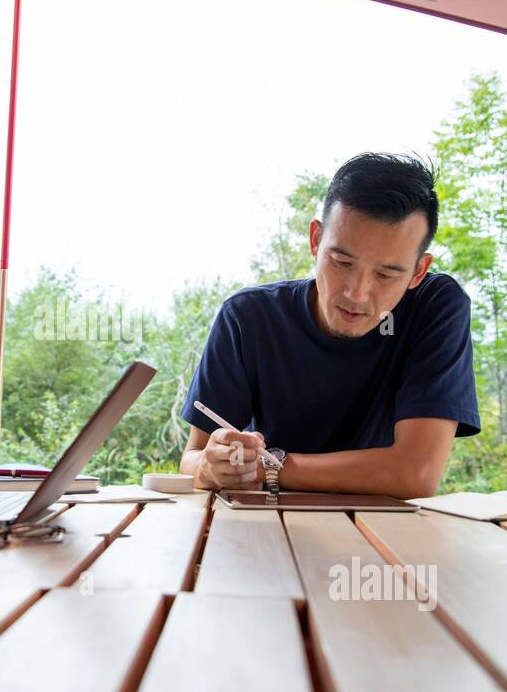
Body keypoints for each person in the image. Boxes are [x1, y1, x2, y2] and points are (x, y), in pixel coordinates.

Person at [179, 152, 480, 498]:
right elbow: (191, 459)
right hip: (262, 527)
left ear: (418, 271)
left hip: (381, 534)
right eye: (341, 261)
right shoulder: (248, 317)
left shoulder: (435, 307)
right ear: (315, 240)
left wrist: (272, 466)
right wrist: (209, 466)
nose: (356, 293)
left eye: (385, 274)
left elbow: (416, 473)